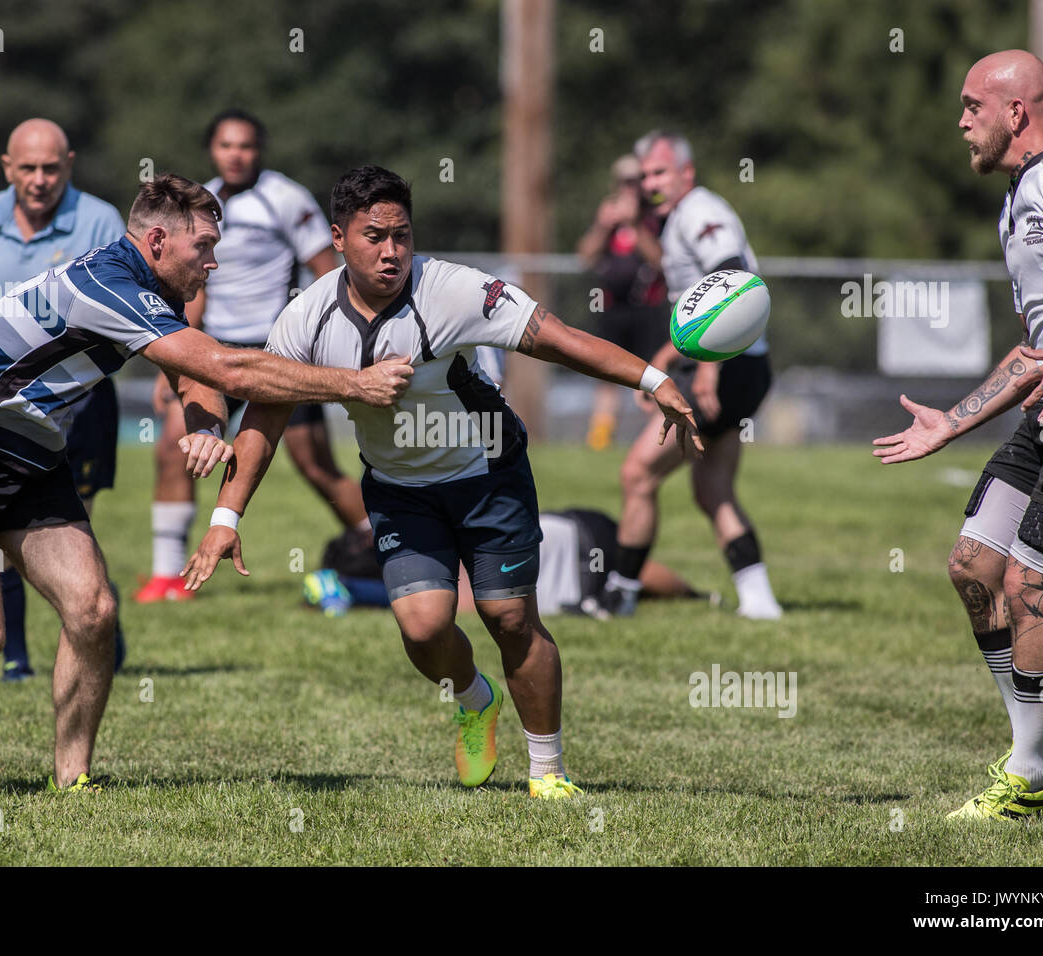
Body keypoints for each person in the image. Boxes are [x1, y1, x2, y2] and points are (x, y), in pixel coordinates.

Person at [0, 174, 413, 789]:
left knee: (93, 610)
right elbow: (228, 365)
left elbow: (194, 370)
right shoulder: (107, 286)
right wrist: (353, 384)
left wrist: (203, 423)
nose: (213, 259)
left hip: (31, 458)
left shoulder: (151, 284)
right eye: (203, 245)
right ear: (156, 240)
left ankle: (73, 780)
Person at [181, 165, 703, 799]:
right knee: (424, 627)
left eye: (402, 234)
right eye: (374, 236)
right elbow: (263, 413)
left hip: (488, 472)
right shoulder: (305, 319)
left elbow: (558, 339)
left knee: (509, 617)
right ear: (338, 237)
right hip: (399, 488)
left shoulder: (454, 291)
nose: (392, 250)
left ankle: (547, 770)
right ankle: (475, 699)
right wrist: (224, 520)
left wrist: (653, 380)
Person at [874, 50, 1043, 821]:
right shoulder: (1016, 200)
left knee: (1030, 583)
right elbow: (1034, 353)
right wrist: (953, 422)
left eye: (972, 105)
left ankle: (1032, 773)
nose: (961, 121)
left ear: (1016, 112)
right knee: (973, 567)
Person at [0, 118, 127, 681]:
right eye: (27, 168)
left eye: (51, 167)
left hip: (76, 401)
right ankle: (16, 655)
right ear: (7, 167)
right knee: (3, 526)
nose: (39, 179)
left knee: (70, 519)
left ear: (70, 164)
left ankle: (95, 619)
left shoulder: (100, 219)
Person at [137, 109, 367, 603]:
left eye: (244, 145)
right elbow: (192, 281)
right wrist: (177, 358)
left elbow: (329, 273)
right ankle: (167, 577)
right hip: (215, 352)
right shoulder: (201, 204)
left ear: (258, 150)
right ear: (213, 151)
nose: (235, 154)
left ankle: (381, 542)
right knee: (175, 444)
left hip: (275, 349)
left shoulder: (285, 198)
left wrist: (317, 345)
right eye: (225, 145)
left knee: (315, 465)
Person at [604, 130, 782, 620]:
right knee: (713, 490)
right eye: (645, 176)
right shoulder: (677, 216)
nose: (651, 182)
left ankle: (618, 595)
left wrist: (703, 372)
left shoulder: (701, 211)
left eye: (660, 172)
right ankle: (760, 600)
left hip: (726, 368)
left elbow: (732, 287)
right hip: (745, 367)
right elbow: (689, 288)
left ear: (687, 172)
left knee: (637, 474)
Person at [304, 508, 717, 618]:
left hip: (572, 539)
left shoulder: (417, 549)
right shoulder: (414, 544)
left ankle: (699, 596)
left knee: (635, 576)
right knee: (633, 576)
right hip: (566, 536)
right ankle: (700, 596)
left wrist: (359, 593)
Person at [575, 155, 665, 450]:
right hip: (612, 307)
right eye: (624, 181)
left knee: (652, 373)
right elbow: (585, 256)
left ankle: (652, 436)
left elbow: (660, 260)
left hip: (647, 308)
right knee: (606, 372)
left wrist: (634, 225)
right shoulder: (608, 218)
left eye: (634, 181)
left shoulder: (654, 217)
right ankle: (600, 437)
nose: (629, 187)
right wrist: (603, 226)